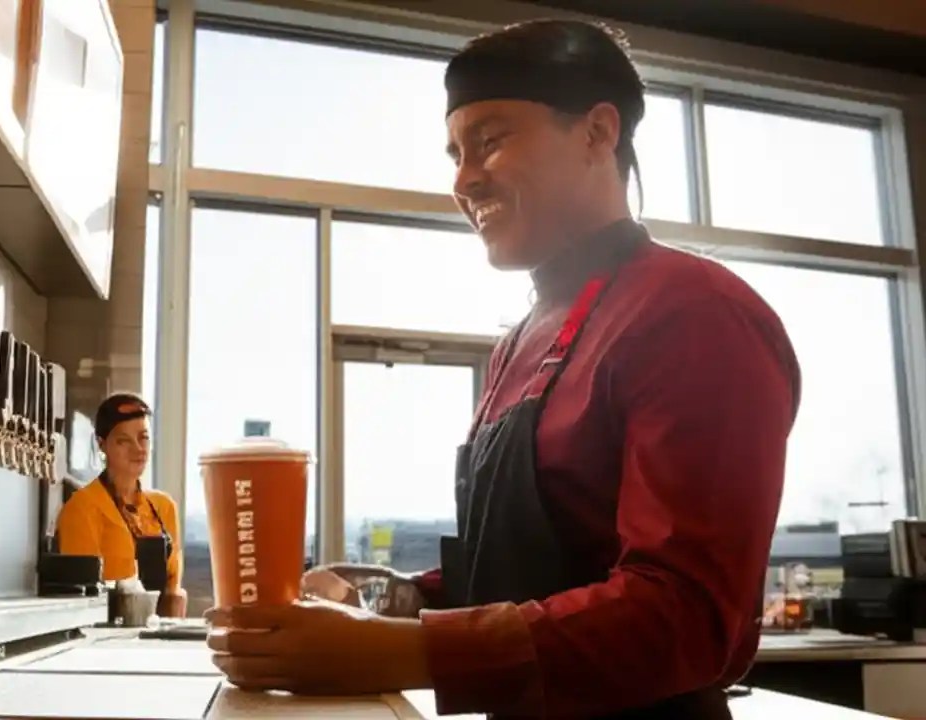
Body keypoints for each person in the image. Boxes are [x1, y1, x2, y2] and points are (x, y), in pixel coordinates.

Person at [207, 18, 800, 719]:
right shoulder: (518, 341)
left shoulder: (693, 311)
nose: (463, 180)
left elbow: (689, 613)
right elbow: (524, 572)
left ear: (598, 132)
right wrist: (393, 598)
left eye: (490, 141)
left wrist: (398, 651)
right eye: (455, 153)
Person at [57, 392, 187, 617]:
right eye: (123, 441)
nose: (138, 449)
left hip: (157, 636)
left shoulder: (164, 507)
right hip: (105, 637)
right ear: (102, 445)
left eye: (143, 438)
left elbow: (173, 591)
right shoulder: (82, 508)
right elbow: (80, 600)